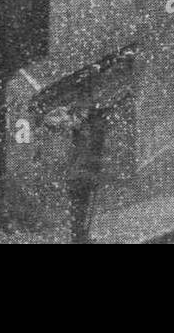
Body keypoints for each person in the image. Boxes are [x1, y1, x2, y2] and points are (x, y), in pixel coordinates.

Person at [65, 104, 107, 244]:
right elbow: (91, 157)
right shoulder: (89, 135)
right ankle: (79, 238)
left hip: (76, 175)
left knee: (78, 210)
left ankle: (79, 237)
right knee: (80, 209)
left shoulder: (82, 133)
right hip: (81, 176)